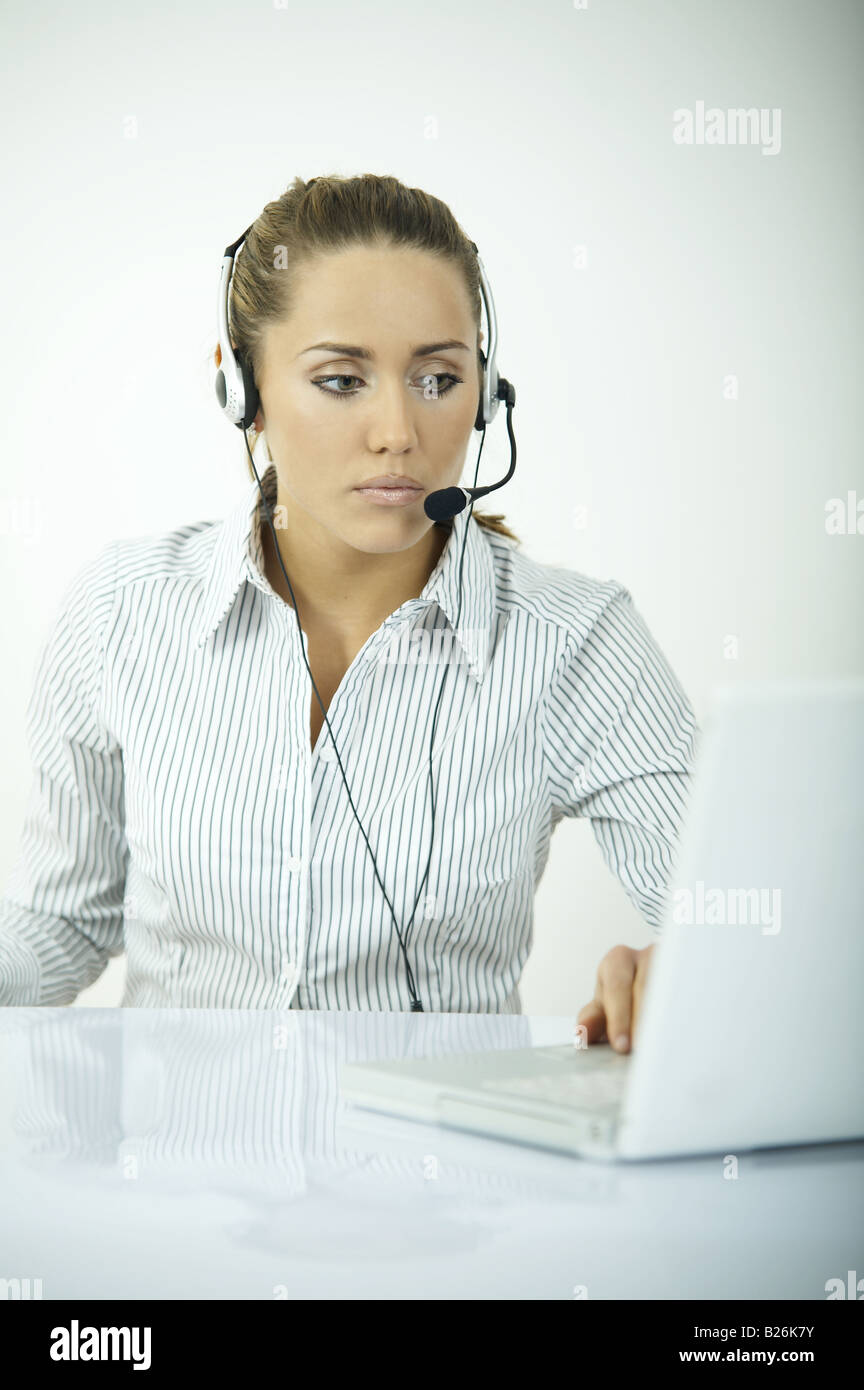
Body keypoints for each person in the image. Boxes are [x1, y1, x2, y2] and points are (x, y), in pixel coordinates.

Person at [0, 173, 698, 1037]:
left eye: (439, 378)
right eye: (341, 380)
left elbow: (739, 922)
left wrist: (696, 974)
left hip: (447, 1170)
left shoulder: (576, 641)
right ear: (242, 393)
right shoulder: (123, 611)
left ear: (488, 396)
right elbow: (61, 921)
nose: (399, 431)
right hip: (180, 1163)